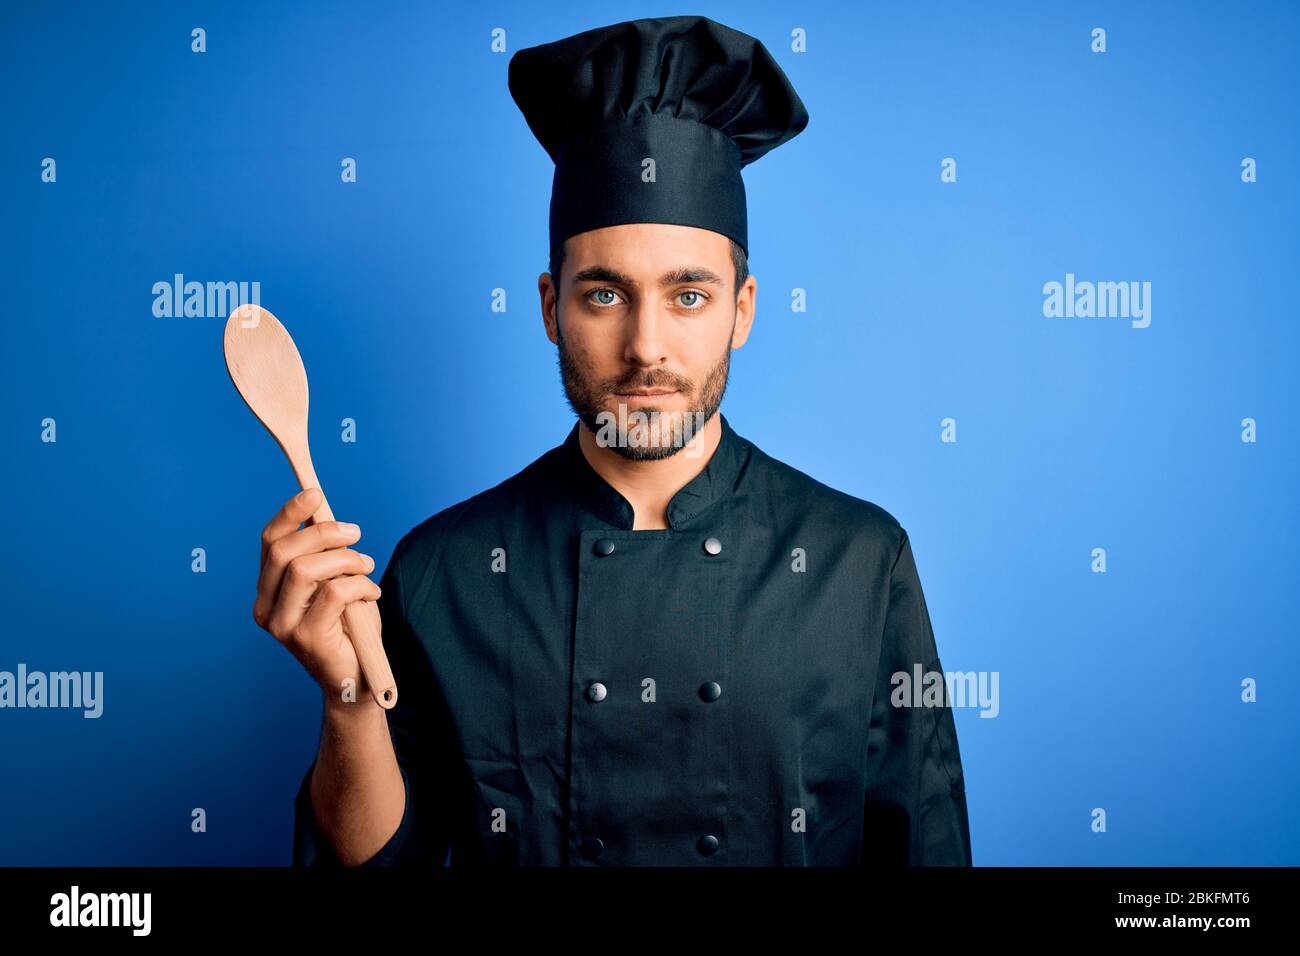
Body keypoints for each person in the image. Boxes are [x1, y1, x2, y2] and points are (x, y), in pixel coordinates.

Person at [258, 14, 972, 867]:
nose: (646, 346)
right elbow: (376, 862)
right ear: (550, 306)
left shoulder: (860, 561)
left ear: (742, 309)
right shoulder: (443, 570)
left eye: (689, 296)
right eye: (604, 295)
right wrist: (346, 699)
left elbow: (928, 847)